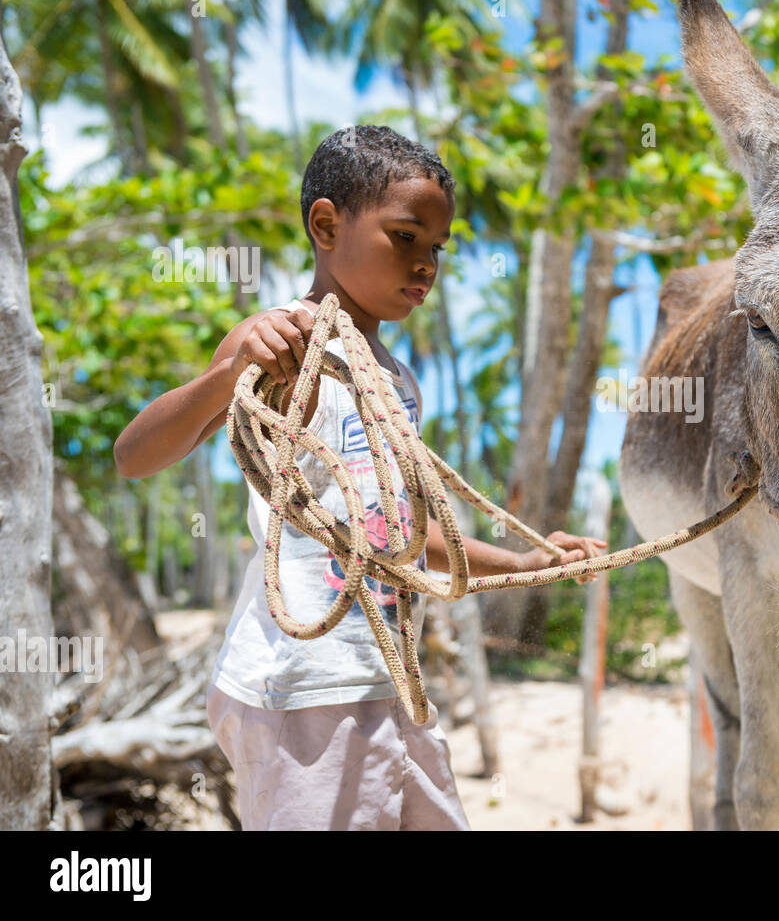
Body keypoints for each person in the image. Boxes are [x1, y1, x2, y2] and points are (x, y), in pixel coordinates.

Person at [113, 124, 607, 830]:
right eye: (405, 237)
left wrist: (527, 560)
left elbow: (403, 535)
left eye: (436, 247)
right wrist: (228, 374)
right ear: (326, 224)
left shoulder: (399, 382)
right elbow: (133, 456)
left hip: (391, 681)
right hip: (304, 686)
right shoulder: (279, 341)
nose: (426, 264)